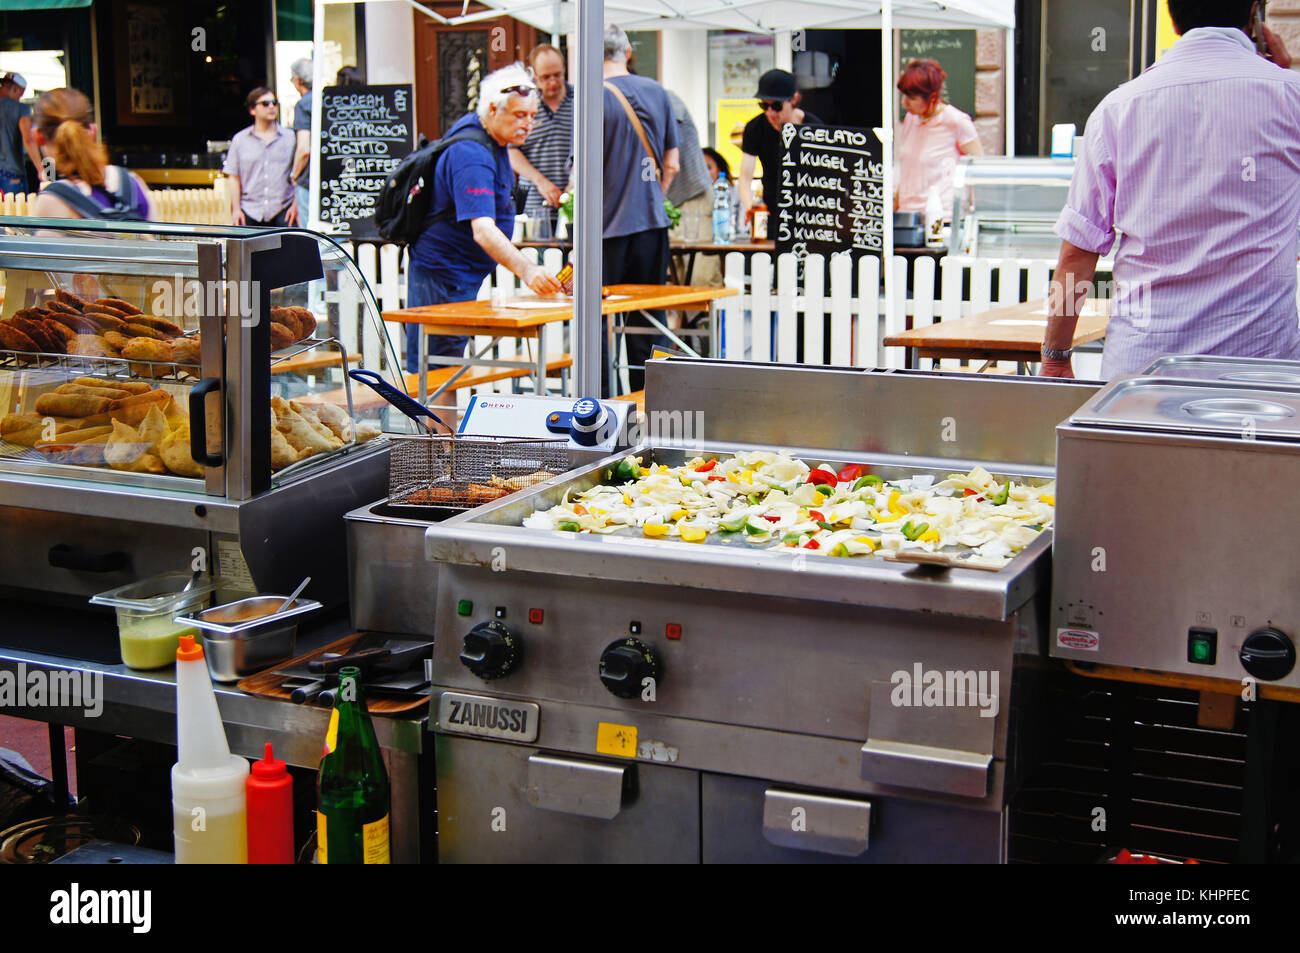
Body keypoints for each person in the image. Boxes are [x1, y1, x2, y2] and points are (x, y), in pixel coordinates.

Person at [1042, 0, 1299, 380]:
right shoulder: (1290, 96)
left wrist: (1055, 354)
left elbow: (1077, 255)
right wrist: (1284, 74)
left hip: (1143, 371)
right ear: (1254, 14)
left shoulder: (1118, 107)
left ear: (1172, 19)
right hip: (1262, 368)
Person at [406, 62, 562, 373]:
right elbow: (483, 231)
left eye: (532, 116)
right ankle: (429, 424)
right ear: (493, 109)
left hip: (457, 274)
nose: (528, 124)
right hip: (443, 275)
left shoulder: (493, 138)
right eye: (519, 115)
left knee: (445, 366)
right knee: (433, 369)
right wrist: (527, 270)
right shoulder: (471, 153)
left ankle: (441, 424)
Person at [600, 25, 680, 395]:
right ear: (627, 50)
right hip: (651, 224)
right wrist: (652, 196)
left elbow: (578, 174)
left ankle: (596, 406)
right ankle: (652, 402)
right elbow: (673, 163)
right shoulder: (658, 92)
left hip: (603, 229)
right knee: (649, 320)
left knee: (595, 322)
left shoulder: (590, 97)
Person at [29, 88, 151, 220]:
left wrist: (48, 185)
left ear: (38, 137)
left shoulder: (51, 201)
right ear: (93, 130)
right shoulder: (132, 182)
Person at [895, 58, 982, 220]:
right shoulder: (910, 119)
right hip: (908, 216)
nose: (904, 102)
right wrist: (895, 208)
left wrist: (974, 216)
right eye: (904, 96)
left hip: (941, 217)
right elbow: (907, 170)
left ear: (932, 97)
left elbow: (978, 168)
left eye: (912, 98)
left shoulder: (956, 121)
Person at [738, 68, 822, 223]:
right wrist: (753, 208)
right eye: (764, 106)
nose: (771, 112)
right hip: (772, 211)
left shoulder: (814, 128)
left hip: (810, 213)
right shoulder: (755, 128)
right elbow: (744, 178)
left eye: (777, 106)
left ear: (794, 100)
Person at [509, 44, 573, 233]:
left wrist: (577, 183)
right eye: (546, 77)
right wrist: (540, 181)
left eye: (557, 75)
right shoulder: (524, 104)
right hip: (536, 208)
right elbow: (511, 151)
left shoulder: (581, 99)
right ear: (534, 76)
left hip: (575, 207)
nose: (553, 81)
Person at [224, 86, 298, 227]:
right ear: (253, 110)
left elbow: (301, 175)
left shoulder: (290, 138)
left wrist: (296, 205)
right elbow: (234, 177)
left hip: (284, 209)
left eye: (274, 103)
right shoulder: (240, 140)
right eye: (265, 103)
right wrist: (236, 209)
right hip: (250, 210)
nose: (271, 106)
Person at [0, 73, 45, 197]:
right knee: (15, 213)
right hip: (11, 175)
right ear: (17, 90)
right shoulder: (21, 108)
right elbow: (28, 139)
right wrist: (41, 170)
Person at [289, 58, 314, 228]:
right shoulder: (328, 99)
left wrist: (294, 175)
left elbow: (304, 149)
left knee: (312, 237)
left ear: (298, 80)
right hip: (333, 180)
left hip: (308, 181)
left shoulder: (303, 105)